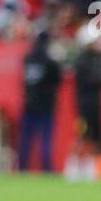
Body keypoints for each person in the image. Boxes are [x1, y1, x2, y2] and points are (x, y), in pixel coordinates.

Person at [18, 27, 62, 173]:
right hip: (45, 105)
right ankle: (45, 168)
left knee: (25, 139)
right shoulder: (50, 62)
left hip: (28, 104)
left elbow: (24, 81)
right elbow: (57, 80)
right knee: (45, 139)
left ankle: (22, 167)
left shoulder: (28, 59)